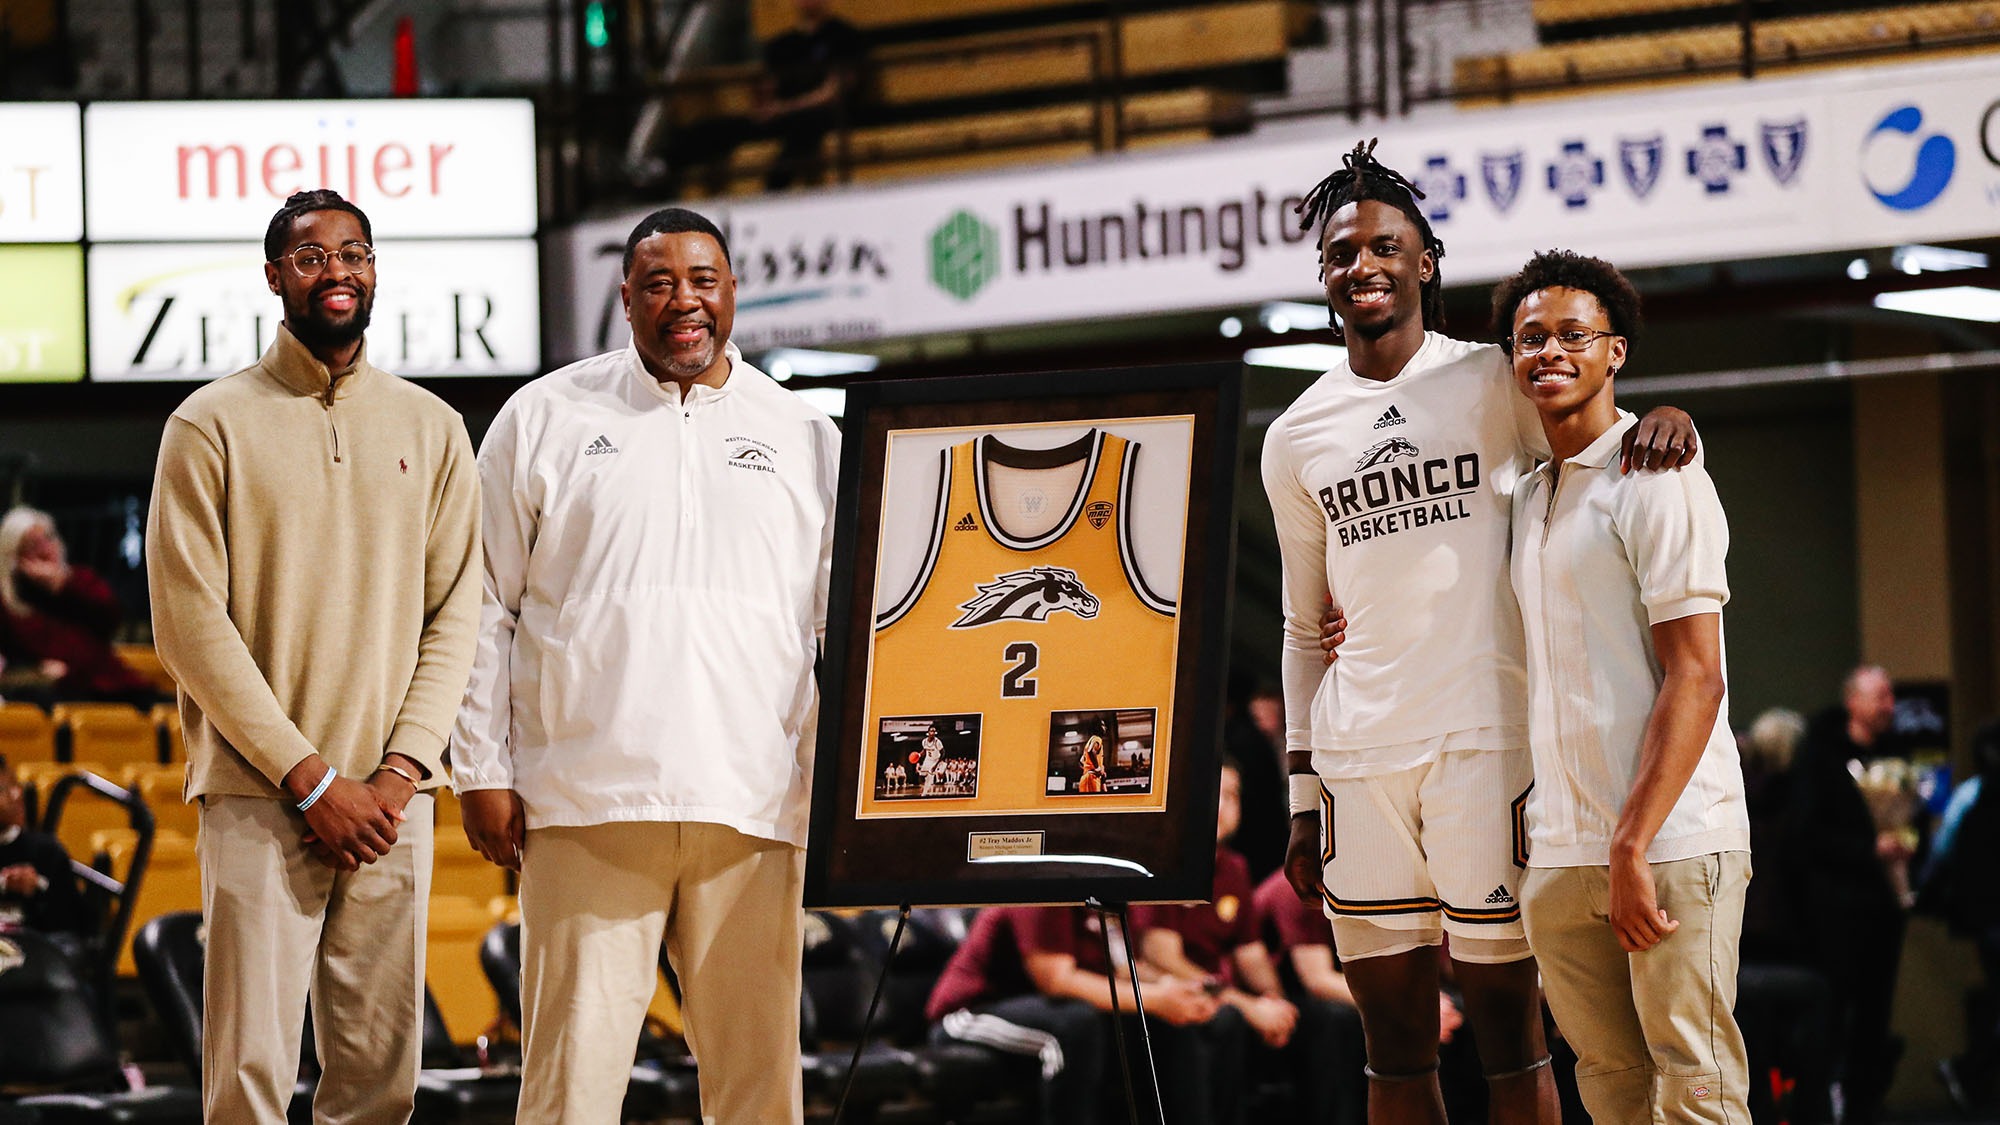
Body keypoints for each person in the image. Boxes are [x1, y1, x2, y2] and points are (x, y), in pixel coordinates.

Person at [1262, 140, 1696, 1125]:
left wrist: (1671, 421)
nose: (1360, 266)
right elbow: (1298, 627)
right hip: (1356, 759)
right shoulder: (1294, 433)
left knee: (1511, 1039)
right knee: (1392, 1050)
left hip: (1485, 745)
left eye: (1382, 246)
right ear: (1321, 276)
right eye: (1339, 254)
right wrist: (1299, 795)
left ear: (1424, 261)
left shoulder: (1492, 380)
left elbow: (1601, 440)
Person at [452, 206, 838, 1125]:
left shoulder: (804, 431)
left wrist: (833, 791)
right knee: (570, 1091)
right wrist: (479, 769)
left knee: (758, 1093)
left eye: (703, 280)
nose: (683, 303)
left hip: (751, 797)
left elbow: (835, 627)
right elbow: (478, 603)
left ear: (733, 290)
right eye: (658, 284)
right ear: (625, 299)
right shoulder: (542, 416)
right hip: (587, 796)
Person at [146, 188, 481, 1124]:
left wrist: (401, 770)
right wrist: (309, 779)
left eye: (355, 252)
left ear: (375, 270)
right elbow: (187, 624)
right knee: (247, 1080)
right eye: (311, 256)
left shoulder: (434, 427)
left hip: (391, 803)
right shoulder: (208, 424)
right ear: (273, 278)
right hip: (262, 797)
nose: (337, 271)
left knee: (381, 1083)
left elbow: (457, 612)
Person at [1494, 249, 1752, 1124]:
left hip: (1669, 841)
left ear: (1616, 353)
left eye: (1575, 334)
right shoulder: (1529, 496)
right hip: (1564, 854)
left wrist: (1631, 843)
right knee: (1610, 1088)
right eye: (1531, 338)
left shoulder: (1658, 476)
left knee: (1696, 1088)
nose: (1550, 351)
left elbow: (1699, 675)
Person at [927, 904, 1242, 1125]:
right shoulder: (1043, 883)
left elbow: (1120, 970)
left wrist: (1177, 992)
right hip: (971, 1014)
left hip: (1050, 1010)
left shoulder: (1107, 896)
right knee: (1076, 1025)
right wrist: (1158, 998)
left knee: (1169, 1024)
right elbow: (1055, 979)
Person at [1134, 759, 1298, 1125]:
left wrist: (1276, 1002)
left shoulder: (1234, 866)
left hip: (1215, 989)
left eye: (1232, 796)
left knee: (1312, 1018)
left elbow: (1251, 955)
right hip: (1159, 987)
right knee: (1223, 1020)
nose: (1223, 805)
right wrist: (1248, 1007)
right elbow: (1163, 958)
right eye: (1214, 794)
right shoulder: (1162, 858)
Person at [1789, 664, 1911, 1124]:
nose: (1889, 707)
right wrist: (1867, 848)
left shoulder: (1895, 754)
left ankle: (1865, 1107)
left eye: (1890, 697)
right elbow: (1805, 835)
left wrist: (1904, 841)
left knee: (1875, 1018)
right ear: (1852, 702)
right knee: (1830, 1016)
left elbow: (1911, 815)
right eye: (1880, 696)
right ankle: (1817, 1111)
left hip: (1882, 908)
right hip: (1834, 912)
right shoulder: (1820, 756)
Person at [0, 507, 158, 706]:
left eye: (48, 538)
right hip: (54, 694)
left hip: (111, 685)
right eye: (32, 544)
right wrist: (33, 671)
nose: (45, 549)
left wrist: (63, 585)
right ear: (14, 555)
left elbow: (111, 618)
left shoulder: (80, 580)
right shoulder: (8, 602)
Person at [1920, 718, 2000, 1113]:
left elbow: (1942, 850)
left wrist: (1924, 889)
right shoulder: (1974, 795)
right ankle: (1968, 1070)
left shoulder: (1972, 794)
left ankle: (1969, 1070)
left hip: (1987, 916)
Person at [755, 0, 865, 190]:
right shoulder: (781, 45)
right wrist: (766, 107)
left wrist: (785, 107)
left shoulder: (843, 36)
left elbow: (835, 91)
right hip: (785, 117)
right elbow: (767, 89)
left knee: (805, 125)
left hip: (824, 115)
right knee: (717, 129)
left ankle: (774, 189)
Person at [0, 756, 90, 941]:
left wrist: (40, 887)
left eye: (14, 785)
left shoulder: (46, 852)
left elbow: (72, 925)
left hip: (34, 959)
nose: (16, 795)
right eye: (2, 790)